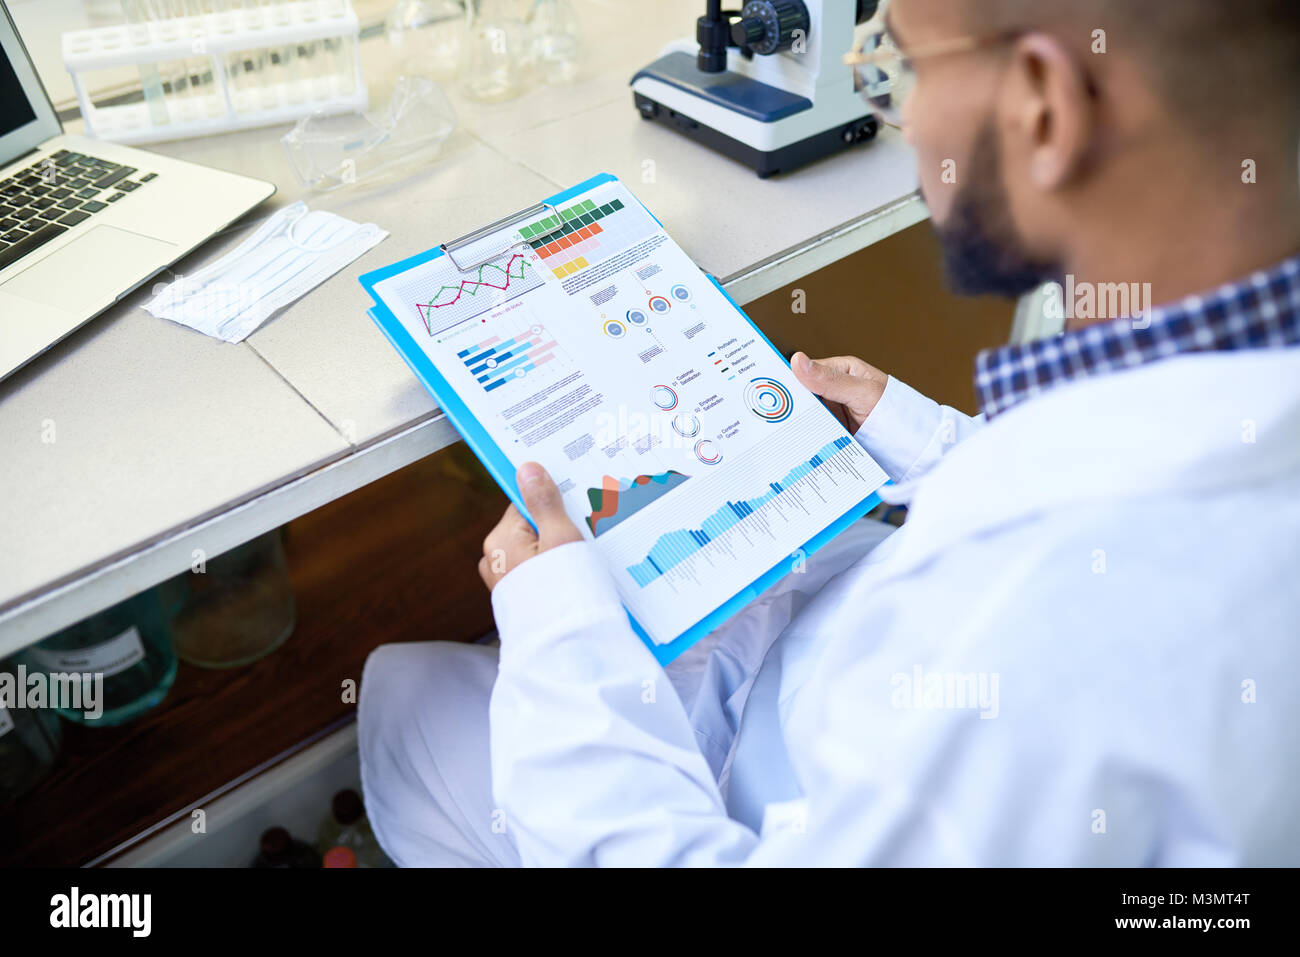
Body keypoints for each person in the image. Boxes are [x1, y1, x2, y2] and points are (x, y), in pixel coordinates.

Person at [358, 0, 1300, 865]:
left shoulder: (1033, 627)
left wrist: (557, 633)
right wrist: (927, 440)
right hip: (831, 662)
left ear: (1046, 110)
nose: (902, 117)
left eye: (909, 67)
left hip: (763, 787)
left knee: (402, 701)